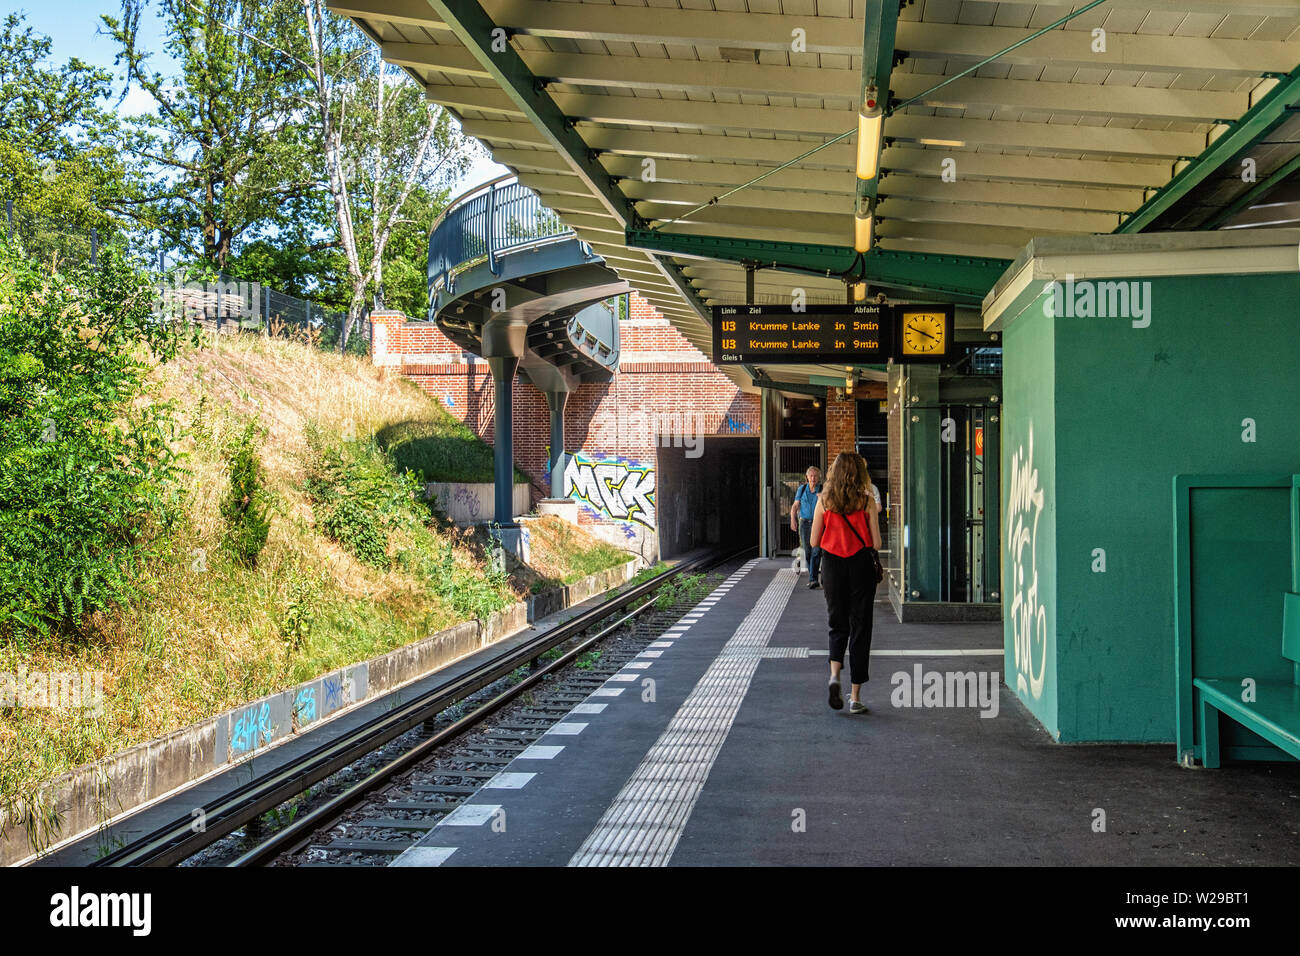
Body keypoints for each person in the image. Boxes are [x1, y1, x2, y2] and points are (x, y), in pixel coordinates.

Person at [810, 452, 882, 714]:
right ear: (859, 473)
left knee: (837, 624)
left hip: (832, 566)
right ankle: (855, 698)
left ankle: (833, 677)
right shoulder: (867, 500)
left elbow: (814, 542)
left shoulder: (824, 501)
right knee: (861, 627)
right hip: (860, 566)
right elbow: (876, 543)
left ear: (834, 471)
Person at [790, 466, 823, 589]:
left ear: (819, 477)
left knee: (816, 551)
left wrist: (822, 499)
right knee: (808, 552)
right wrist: (793, 519)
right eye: (811, 476)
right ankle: (813, 577)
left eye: (815, 476)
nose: (813, 478)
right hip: (804, 523)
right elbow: (795, 506)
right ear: (807, 477)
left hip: (818, 523)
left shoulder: (822, 490)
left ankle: (813, 579)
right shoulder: (802, 489)